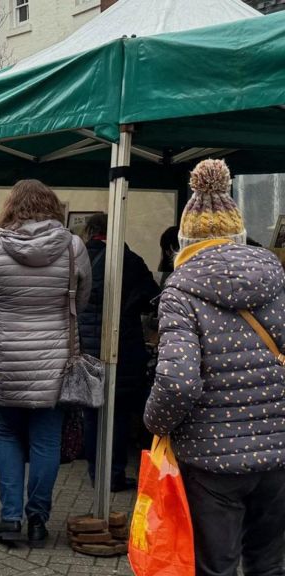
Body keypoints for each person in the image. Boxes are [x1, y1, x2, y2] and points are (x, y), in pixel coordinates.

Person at [145, 159, 285, 576]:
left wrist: (154, 423)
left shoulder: (180, 290)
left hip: (212, 458)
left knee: (215, 567)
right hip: (279, 452)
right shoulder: (277, 278)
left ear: (184, 240)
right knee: (269, 565)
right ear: (239, 233)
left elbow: (177, 382)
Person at [0, 179, 90, 547]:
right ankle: (38, 519)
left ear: (11, 207)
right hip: (56, 360)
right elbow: (81, 301)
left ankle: (10, 520)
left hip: (7, 356)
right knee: (46, 439)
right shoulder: (74, 247)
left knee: (7, 435)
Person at [77, 213, 159, 492]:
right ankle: (113, 474)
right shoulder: (130, 261)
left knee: (91, 415)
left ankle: (94, 473)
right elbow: (152, 297)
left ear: (90, 232)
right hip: (122, 347)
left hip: (85, 348)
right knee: (119, 414)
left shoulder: (78, 258)